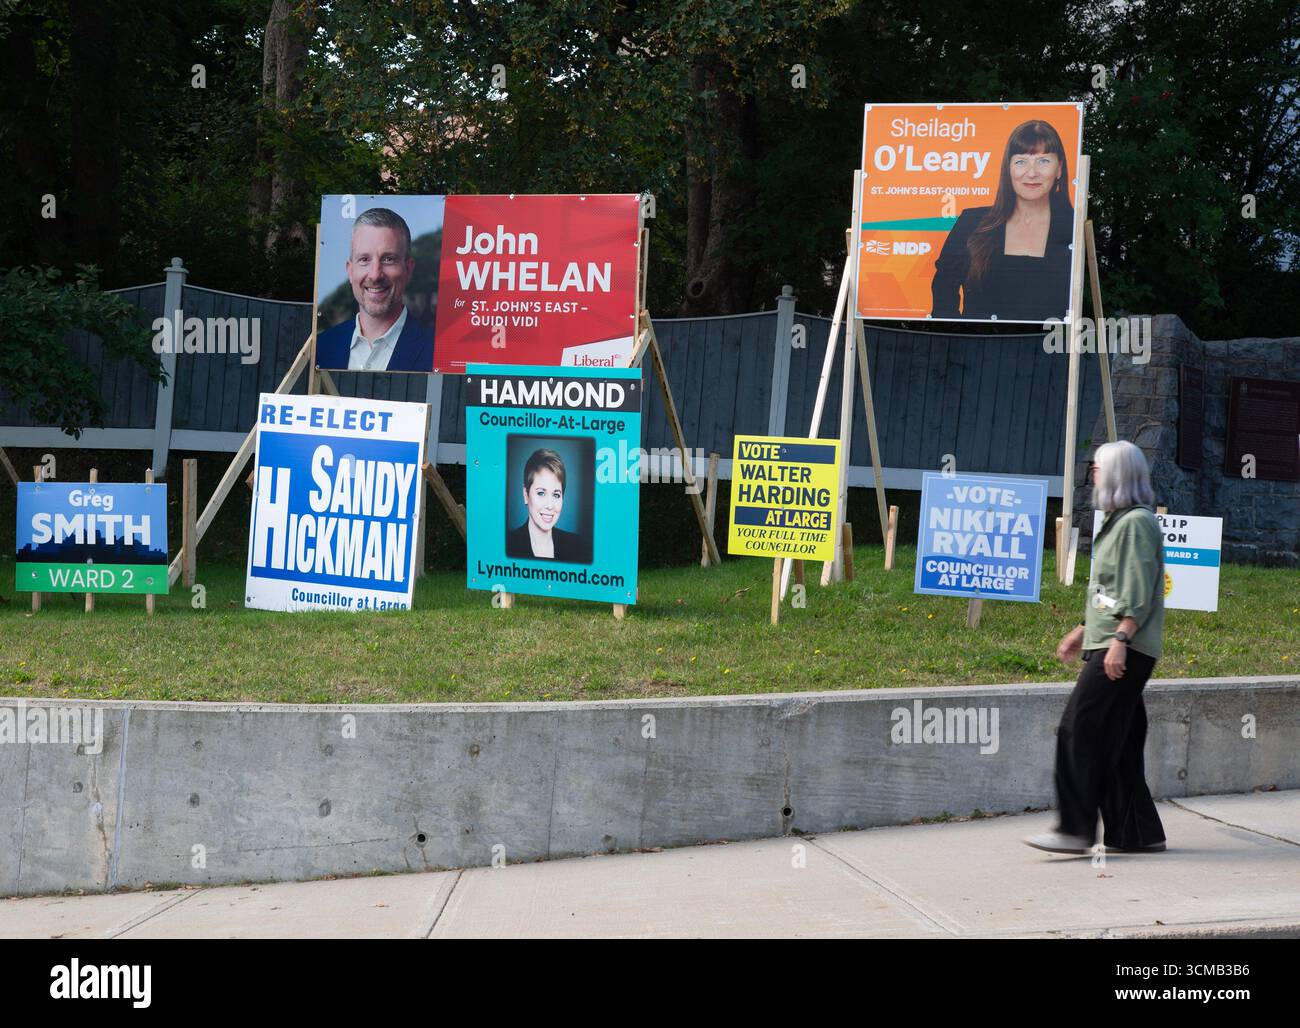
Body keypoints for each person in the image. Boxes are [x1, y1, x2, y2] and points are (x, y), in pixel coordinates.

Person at [1026, 440, 1168, 855]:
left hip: (1124, 646)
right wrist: (1083, 628)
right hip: (1109, 641)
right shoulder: (1119, 520)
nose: (1093, 473)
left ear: (1120, 473)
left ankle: (1074, 829)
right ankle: (1139, 832)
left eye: (1098, 467)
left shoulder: (1136, 524)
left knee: (1080, 729)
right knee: (1120, 741)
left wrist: (1121, 639)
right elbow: (1113, 590)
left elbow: (1139, 591)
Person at [930, 120, 1074, 322]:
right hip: (977, 347)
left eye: (1043, 161)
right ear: (1008, 169)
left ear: (1059, 168)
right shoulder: (972, 222)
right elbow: (944, 284)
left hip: (1049, 348)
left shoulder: (1074, 227)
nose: (1032, 173)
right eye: (1021, 161)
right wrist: (956, 336)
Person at [315, 207, 434, 372]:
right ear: (350, 271)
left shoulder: (436, 352)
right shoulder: (320, 348)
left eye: (388, 259)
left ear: (408, 268)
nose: (375, 275)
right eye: (364, 259)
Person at [505, 448, 591, 563]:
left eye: (556, 495)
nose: (550, 505)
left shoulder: (578, 546)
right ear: (526, 495)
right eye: (541, 493)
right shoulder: (508, 544)